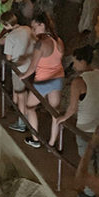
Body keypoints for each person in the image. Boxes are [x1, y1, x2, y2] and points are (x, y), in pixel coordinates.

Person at [50, 45, 99, 197]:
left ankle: (91, 193)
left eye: (75, 62)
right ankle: (97, 187)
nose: (74, 66)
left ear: (82, 61)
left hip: (87, 126)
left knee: (87, 158)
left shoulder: (78, 81)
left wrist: (62, 118)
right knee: (98, 156)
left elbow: (73, 108)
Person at [20, 13, 65, 149]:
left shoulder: (41, 44)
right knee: (54, 113)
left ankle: (35, 139)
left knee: (29, 107)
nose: (33, 31)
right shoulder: (59, 41)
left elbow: (32, 67)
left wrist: (22, 76)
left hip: (43, 81)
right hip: (57, 78)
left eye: (34, 28)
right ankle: (52, 144)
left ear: (42, 25)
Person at [0, 15, 36, 133]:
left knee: (21, 96)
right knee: (27, 94)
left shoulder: (10, 37)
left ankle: (22, 123)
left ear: (6, 25)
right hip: (30, 67)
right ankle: (27, 120)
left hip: (18, 70)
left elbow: (8, 58)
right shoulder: (27, 29)